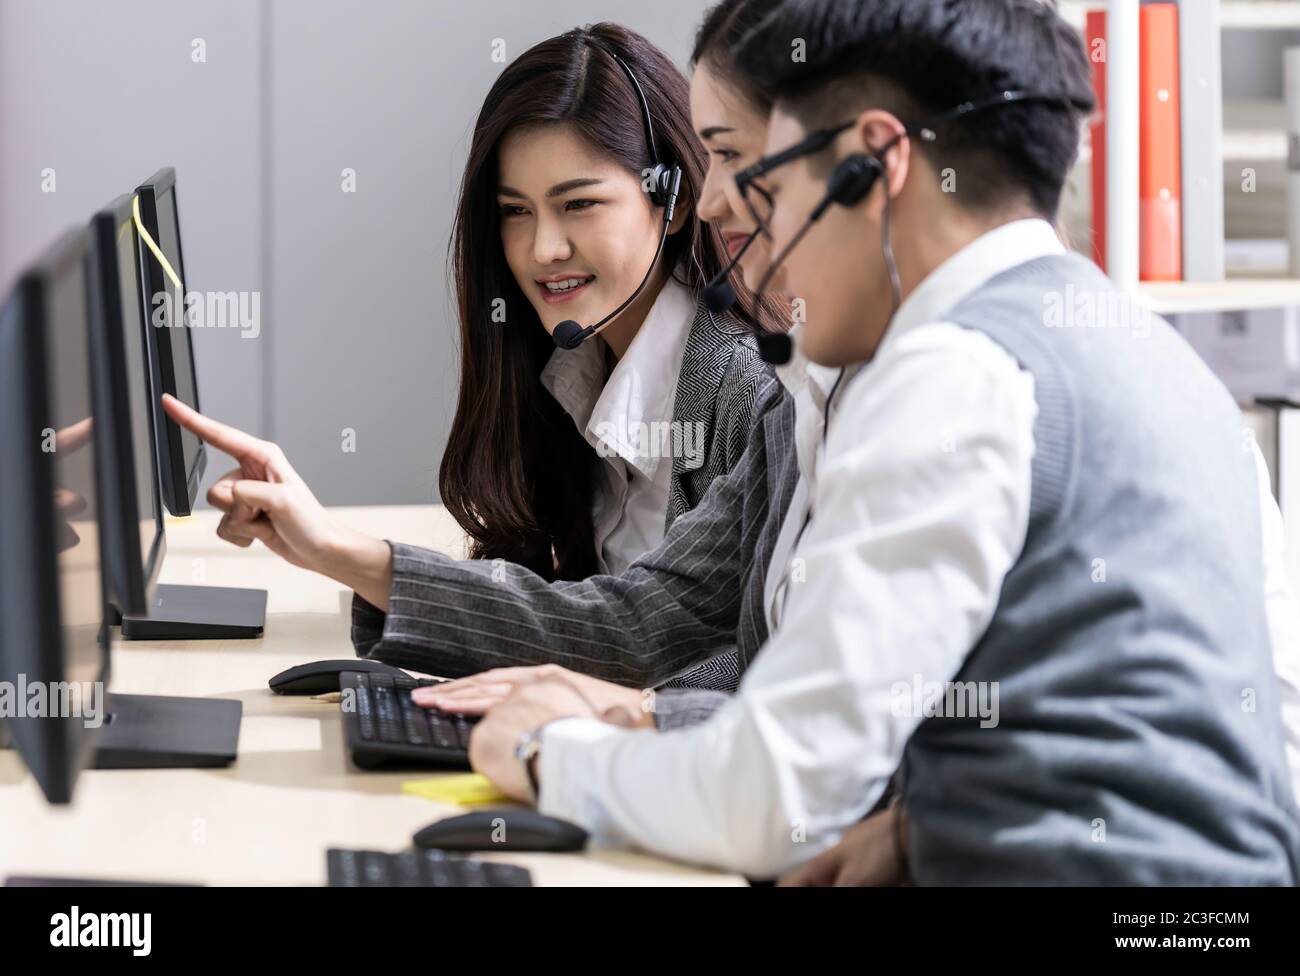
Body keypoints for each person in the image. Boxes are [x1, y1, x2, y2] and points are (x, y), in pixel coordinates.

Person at [456, 0, 1300, 883]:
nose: (732, 216)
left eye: (769, 182)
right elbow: (1240, 755)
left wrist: (551, 755)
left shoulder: (954, 373)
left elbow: (772, 797)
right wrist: (919, 828)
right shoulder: (1154, 357)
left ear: (873, 162)